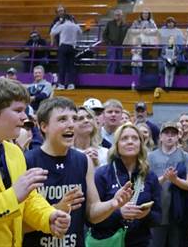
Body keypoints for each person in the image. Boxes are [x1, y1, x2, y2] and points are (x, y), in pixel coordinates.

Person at [22, 97, 132, 247]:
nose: (71, 124)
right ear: (43, 126)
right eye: (62, 119)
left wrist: (113, 204)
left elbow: (91, 213)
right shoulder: (26, 161)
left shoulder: (83, 161)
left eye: (74, 119)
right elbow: (17, 225)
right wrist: (54, 211)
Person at [0, 77, 71, 245]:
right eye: (18, 110)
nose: (25, 117)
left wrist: (47, 216)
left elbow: (27, 198)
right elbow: (16, 196)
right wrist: (12, 196)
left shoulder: (14, 151)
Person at [89, 123, 161, 247]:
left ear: (140, 144)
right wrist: (119, 213)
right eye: (124, 138)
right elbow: (91, 219)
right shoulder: (102, 174)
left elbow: (158, 218)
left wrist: (145, 215)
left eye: (135, 138)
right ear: (116, 145)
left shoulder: (150, 176)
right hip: (108, 241)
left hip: (140, 242)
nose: (130, 142)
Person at [148, 120, 188, 246]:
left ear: (178, 136)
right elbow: (147, 185)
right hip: (157, 210)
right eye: (166, 133)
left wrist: (175, 180)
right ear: (160, 136)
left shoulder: (185, 156)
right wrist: (164, 178)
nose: (170, 136)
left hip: (178, 212)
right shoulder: (151, 156)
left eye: (173, 133)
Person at [49, 15, 83, 90]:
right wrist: (76, 23)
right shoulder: (75, 26)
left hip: (63, 47)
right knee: (71, 66)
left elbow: (52, 32)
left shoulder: (62, 25)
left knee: (62, 66)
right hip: (72, 47)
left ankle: (61, 84)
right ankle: (71, 84)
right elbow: (81, 32)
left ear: (64, 19)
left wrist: (57, 23)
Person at [159, 16, 184, 89]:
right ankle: (167, 87)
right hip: (166, 59)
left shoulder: (178, 32)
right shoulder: (164, 31)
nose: (170, 24)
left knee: (172, 73)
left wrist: (175, 57)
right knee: (167, 73)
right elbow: (162, 53)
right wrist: (166, 58)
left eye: (171, 23)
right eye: (168, 23)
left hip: (174, 58)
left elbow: (180, 47)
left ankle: (171, 87)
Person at [101, 9, 129, 75]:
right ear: (114, 16)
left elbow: (128, 35)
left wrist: (125, 43)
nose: (117, 16)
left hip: (120, 46)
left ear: (122, 15)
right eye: (116, 15)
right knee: (111, 61)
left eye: (119, 15)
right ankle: (109, 77)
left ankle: (118, 77)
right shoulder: (109, 23)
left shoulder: (125, 25)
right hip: (111, 46)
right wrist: (108, 42)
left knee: (119, 62)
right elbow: (104, 34)